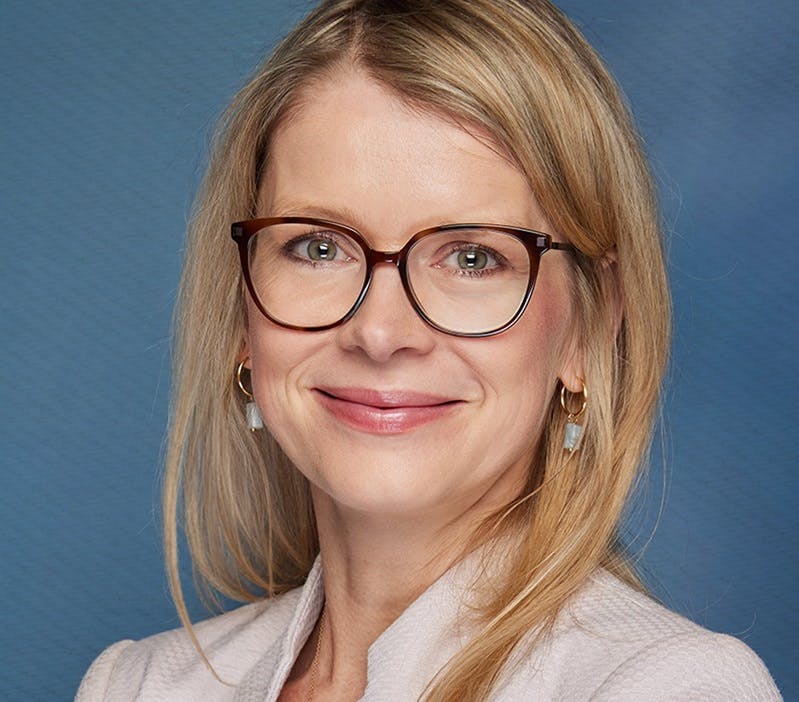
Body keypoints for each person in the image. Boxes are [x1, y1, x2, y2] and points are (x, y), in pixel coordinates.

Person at [77, 1, 782, 700]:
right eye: (318, 248)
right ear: (242, 310)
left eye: (472, 257)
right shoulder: (136, 686)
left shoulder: (667, 686)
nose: (380, 333)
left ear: (588, 329)